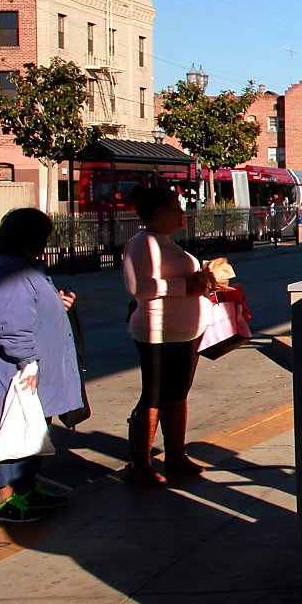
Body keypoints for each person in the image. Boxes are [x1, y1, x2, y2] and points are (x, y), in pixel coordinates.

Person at [0, 208, 83, 524]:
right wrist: (28, 362)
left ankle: (27, 490)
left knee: (32, 433)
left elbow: (29, 307)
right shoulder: (12, 272)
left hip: (32, 372)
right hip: (16, 373)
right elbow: (9, 324)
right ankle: (7, 498)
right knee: (12, 433)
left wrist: (57, 302)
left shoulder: (25, 269)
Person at [123, 185, 219, 484]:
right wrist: (185, 288)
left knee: (177, 392)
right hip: (157, 333)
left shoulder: (166, 243)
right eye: (177, 208)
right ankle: (140, 463)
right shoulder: (142, 244)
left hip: (184, 332)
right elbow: (138, 286)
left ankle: (176, 454)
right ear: (159, 213)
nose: (183, 213)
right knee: (155, 394)